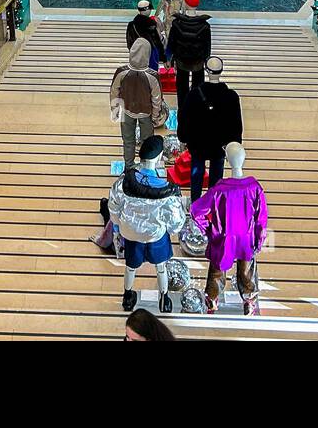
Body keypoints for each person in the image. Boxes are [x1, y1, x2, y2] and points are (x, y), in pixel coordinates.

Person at [108, 135, 186, 313]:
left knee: (131, 267)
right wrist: (169, 229)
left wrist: (119, 225)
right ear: (159, 158)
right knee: (161, 268)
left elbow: (113, 206)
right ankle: (164, 299)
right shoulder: (167, 189)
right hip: (155, 236)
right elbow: (176, 222)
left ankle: (127, 297)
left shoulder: (124, 182)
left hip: (131, 233)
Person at [190, 142, 267, 316]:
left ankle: (212, 301)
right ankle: (249, 302)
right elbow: (261, 218)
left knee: (217, 271)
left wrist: (208, 229)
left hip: (223, 238)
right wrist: (259, 241)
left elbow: (196, 210)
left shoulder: (219, 189)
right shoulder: (254, 187)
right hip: (246, 238)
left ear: (227, 160)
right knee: (247, 271)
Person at [178, 56, 242, 202]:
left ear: (206, 71)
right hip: (219, 146)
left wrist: (183, 138)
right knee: (216, 175)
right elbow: (237, 125)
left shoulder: (194, 95)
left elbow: (184, 118)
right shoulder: (231, 97)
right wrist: (234, 146)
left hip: (197, 144)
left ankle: (195, 202)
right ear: (221, 71)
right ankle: (213, 204)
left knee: (196, 173)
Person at [110, 39, 167, 166]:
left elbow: (114, 92)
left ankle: (129, 167)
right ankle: (145, 166)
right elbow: (157, 99)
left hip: (126, 111)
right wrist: (156, 116)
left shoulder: (121, 72)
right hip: (146, 114)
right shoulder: (152, 76)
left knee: (128, 141)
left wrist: (115, 110)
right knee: (147, 143)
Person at [166, 0, 212, 111]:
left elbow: (171, 43)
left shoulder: (177, 23)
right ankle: (197, 108)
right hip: (198, 61)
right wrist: (205, 59)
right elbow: (207, 46)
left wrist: (168, 59)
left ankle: (183, 109)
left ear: (185, 3)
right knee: (198, 86)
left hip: (181, 60)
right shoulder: (204, 25)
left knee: (182, 87)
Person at [126, 0, 164, 64]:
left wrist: (133, 52)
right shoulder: (151, 25)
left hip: (137, 53)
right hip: (151, 54)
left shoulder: (131, 25)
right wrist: (163, 58)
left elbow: (129, 41)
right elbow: (157, 42)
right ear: (147, 9)